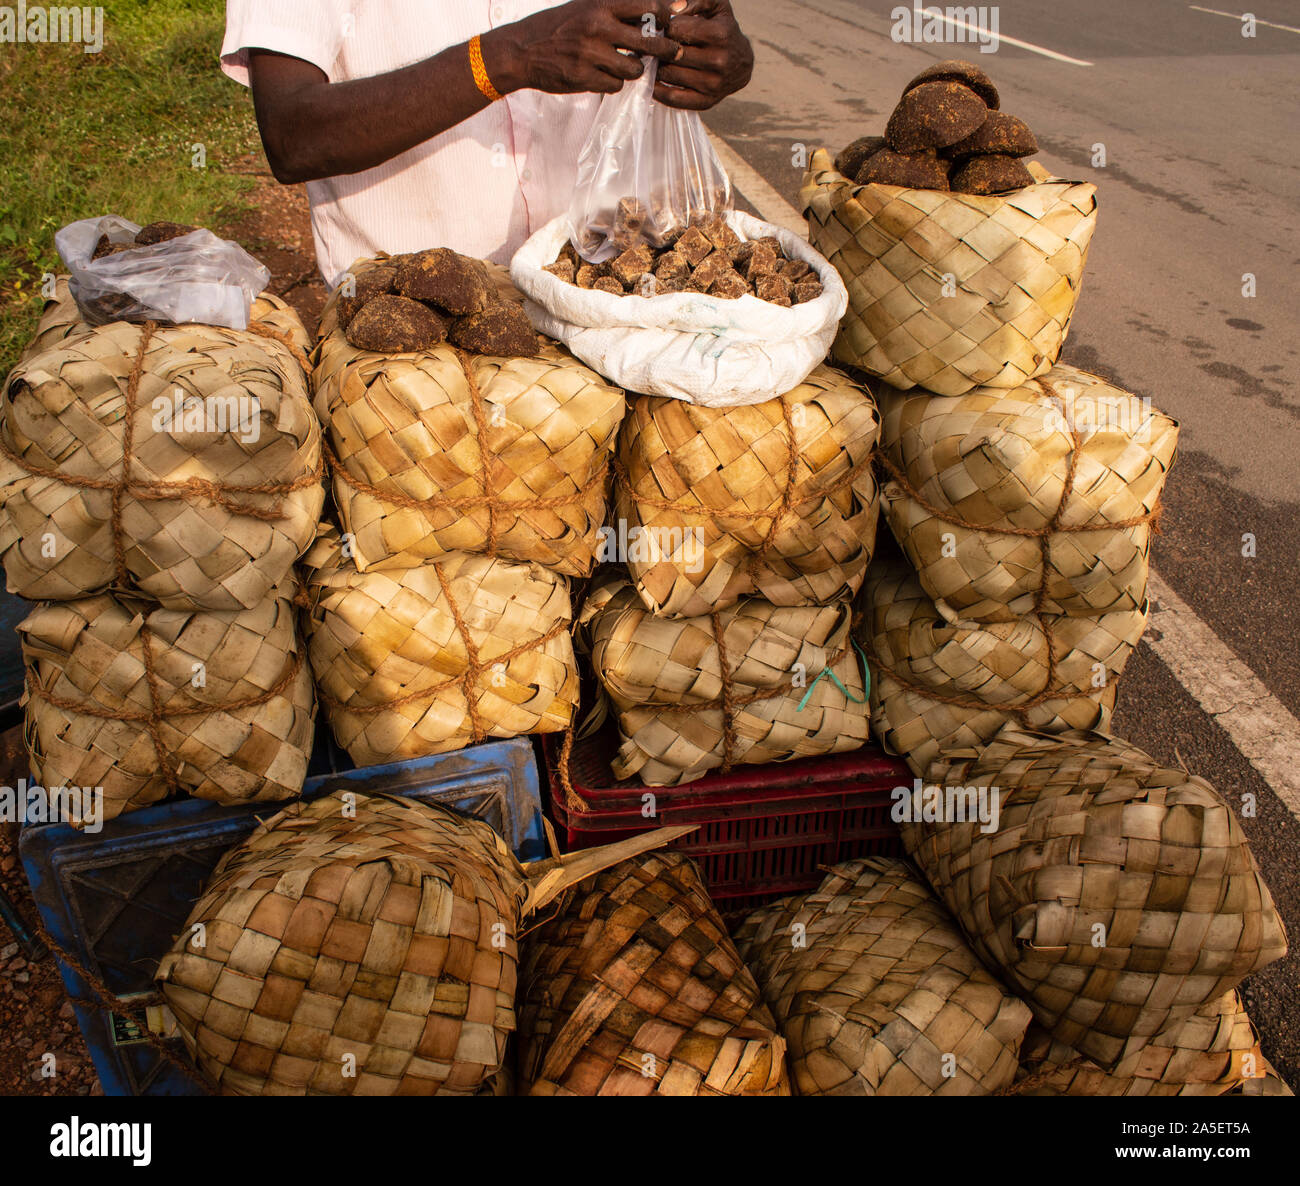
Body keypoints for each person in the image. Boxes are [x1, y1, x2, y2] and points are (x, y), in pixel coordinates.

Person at [220, 1, 754, 283]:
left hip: (595, 301)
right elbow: (293, 134)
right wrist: (506, 59)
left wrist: (722, 58)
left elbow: (679, 21)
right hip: (413, 340)